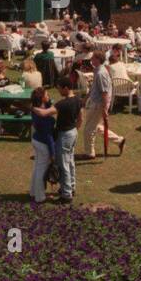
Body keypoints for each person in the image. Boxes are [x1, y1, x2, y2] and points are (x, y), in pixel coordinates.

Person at [82, 52, 125, 158]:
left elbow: (104, 92)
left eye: (93, 58)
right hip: (96, 102)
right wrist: (85, 99)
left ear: (98, 59)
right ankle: (119, 140)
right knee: (95, 126)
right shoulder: (98, 70)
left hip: (98, 104)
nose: (91, 59)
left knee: (88, 129)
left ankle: (89, 153)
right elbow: (93, 87)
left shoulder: (101, 73)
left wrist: (105, 108)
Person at [53, 74, 81, 202]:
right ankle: (71, 186)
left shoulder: (62, 104)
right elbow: (81, 118)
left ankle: (66, 193)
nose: (58, 91)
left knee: (63, 164)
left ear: (65, 88)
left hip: (64, 134)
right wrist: (75, 130)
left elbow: (46, 112)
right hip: (73, 132)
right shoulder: (77, 100)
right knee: (70, 161)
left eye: (59, 88)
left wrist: (33, 108)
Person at [28, 86, 58, 204]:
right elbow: (48, 136)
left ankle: (33, 192)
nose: (48, 96)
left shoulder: (36, 109)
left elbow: (49, 103)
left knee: (37, 168)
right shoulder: (43, 116)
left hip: (36, 140)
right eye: (46, 95)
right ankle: (40, 197)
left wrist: (48, 101)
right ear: (41, 98)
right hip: (43, 143)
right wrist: (52, 153)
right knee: (41, 170)